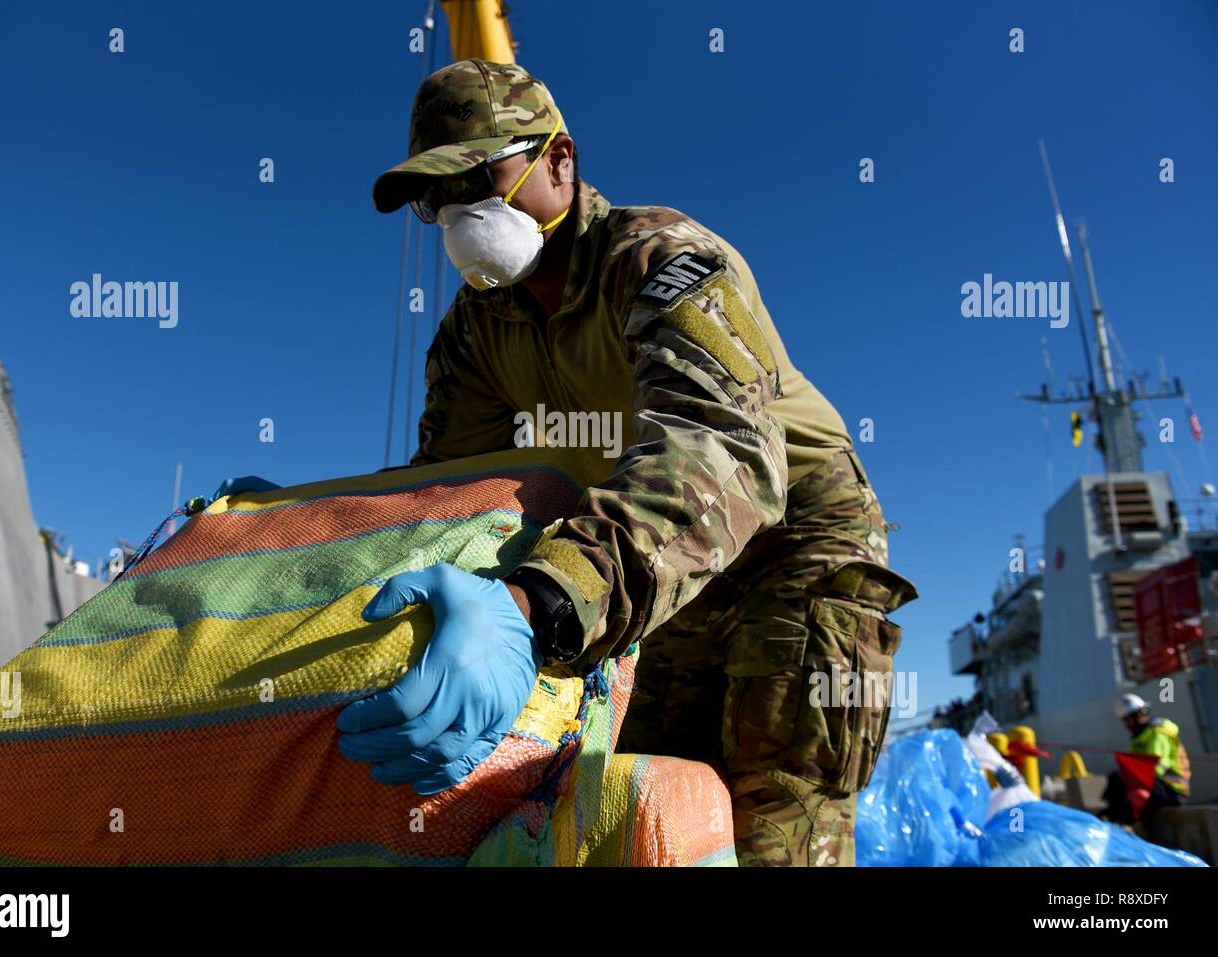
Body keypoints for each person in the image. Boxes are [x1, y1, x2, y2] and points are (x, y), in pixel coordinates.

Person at [325, 58, 918, 866]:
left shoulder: (659, 261)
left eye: (480, 179)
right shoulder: (476, 333)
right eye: (437, 199)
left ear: (559, 161)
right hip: (647, 566)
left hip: (794, 543)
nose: (461, 215)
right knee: (644, 809)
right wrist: (309, 533)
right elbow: (443, 493)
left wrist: (535, 603)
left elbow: (721, 447)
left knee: (775, 815)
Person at [1101, 693, 1190, 834]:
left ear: (1137, 716)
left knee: (1124, 783)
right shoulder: (1138, 740)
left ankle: (1122, 827)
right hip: (1155, 786)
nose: (1127, 725)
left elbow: (1154, 768)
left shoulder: (1158, 734)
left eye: (1128, 720)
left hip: (1171, 790)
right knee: (1116, 779)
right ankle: (1113, 821)